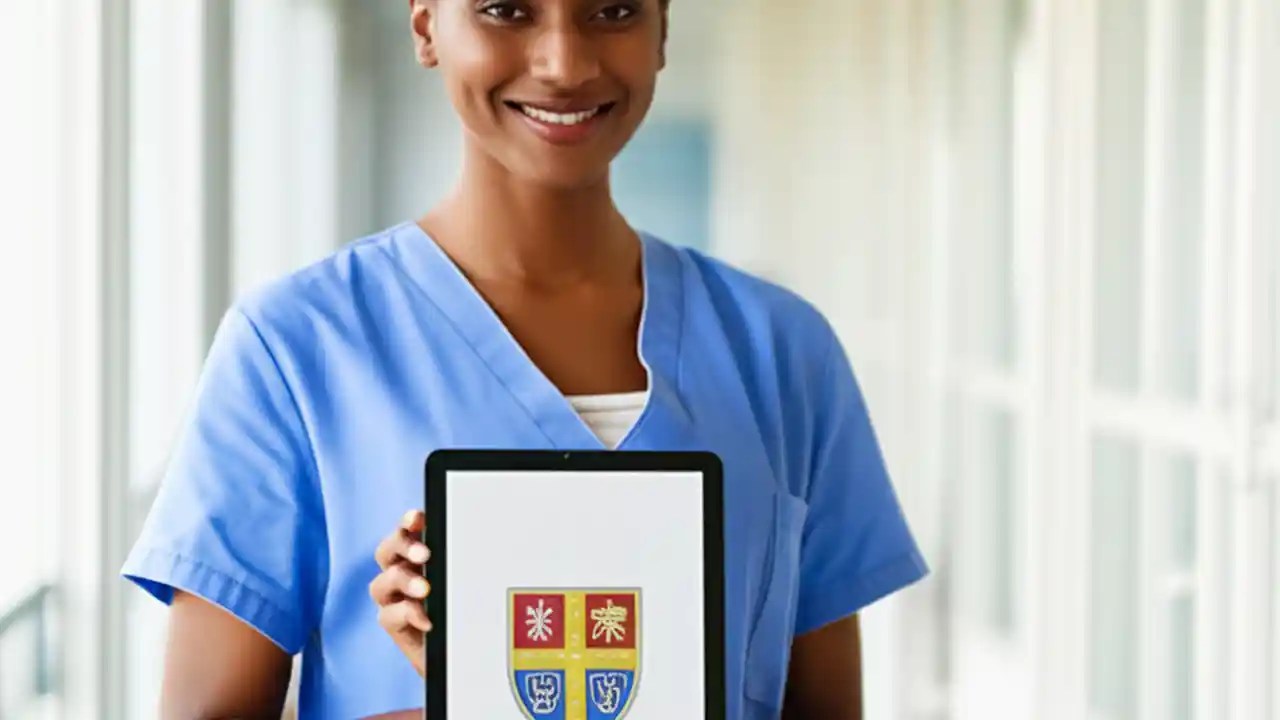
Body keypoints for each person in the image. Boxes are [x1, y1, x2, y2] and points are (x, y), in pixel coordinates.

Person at [121, 0, 928, 718]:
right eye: (506, 11)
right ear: (426, 23)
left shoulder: (784, 353)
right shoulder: (294, 349)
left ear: (664, 29)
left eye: (613, 12)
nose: (565, 64)